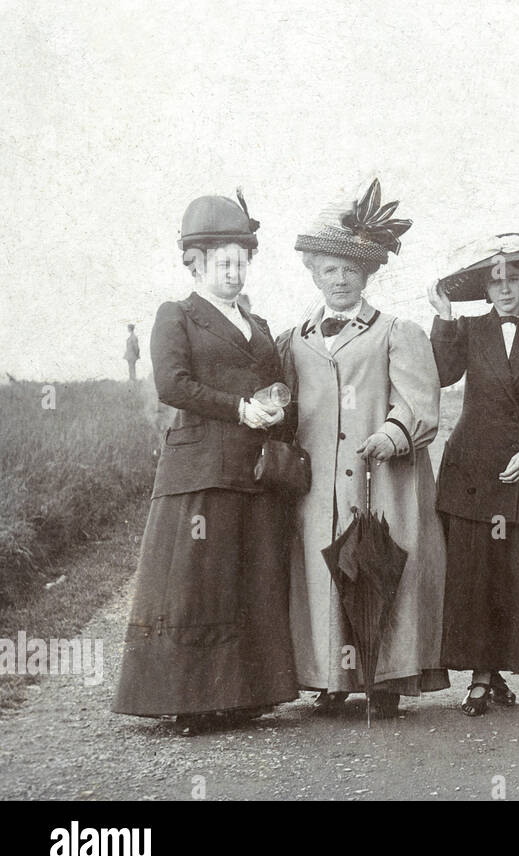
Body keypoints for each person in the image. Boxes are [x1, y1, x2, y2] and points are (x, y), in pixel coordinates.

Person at [113, 192, 298, 735]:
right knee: (200, 583)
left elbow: (267, 382)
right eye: (223, 264)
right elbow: (173, 385)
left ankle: (243, 696)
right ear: (196, 264)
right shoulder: (178, 315)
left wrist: (273, 404)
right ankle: (191, 699)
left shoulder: (257, 322)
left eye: (241, 262)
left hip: (253, 471)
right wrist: (239, 408)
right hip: (200, 469)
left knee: (250, 578)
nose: (235, 273)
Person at [281, 179, 449, 719]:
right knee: (321, 573)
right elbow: (286, 405)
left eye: (350, 271)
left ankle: (385, 680)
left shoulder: (397, 332)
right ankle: (331, 677)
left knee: (381, 568)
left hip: (384, 480)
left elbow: (420, 402)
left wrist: (392, 433)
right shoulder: (294, 339)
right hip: (318, 486)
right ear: (315, 274)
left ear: (366, 276)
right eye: (329, 270)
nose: (340, 280)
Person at [427, 234, 519, 716]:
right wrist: (443, 317)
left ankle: (501, 670)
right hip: (472, 469)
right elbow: (440, 374)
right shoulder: (465, 329)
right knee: (473, 574)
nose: (505, 288)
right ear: (485, 288)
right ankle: (481, 678)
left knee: (517, 573)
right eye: (496, 280)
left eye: (513, 278)